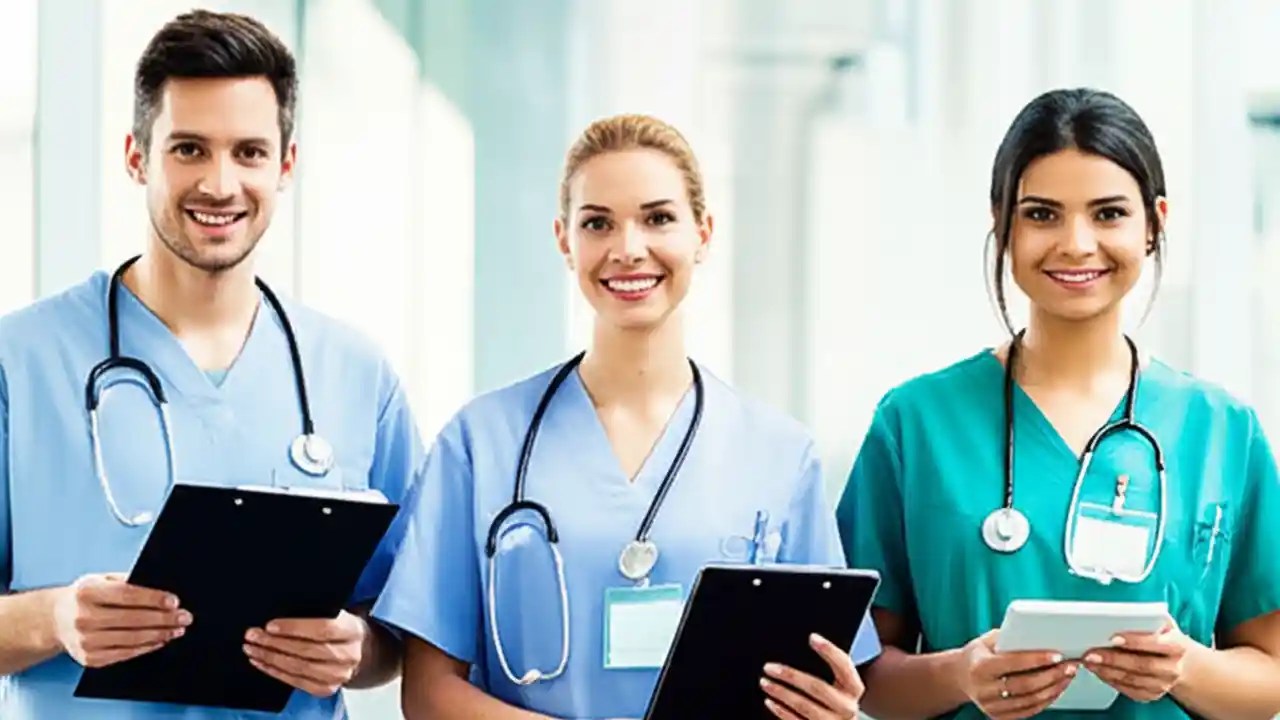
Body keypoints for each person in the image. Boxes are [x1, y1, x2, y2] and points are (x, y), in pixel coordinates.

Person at [371, 113, 880, 719]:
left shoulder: (780, 456)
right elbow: (428, 695)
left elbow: (821, 679)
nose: (628, 249)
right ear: (565, 240)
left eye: (658, 218)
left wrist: (831, 709)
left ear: (704, 233)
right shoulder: (482, 441)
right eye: (598, 224)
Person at [0, 10, 418, 718]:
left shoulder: (355, 375)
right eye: (189, 149)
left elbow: (398, 632)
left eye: (249, 152)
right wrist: (55, 619)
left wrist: (354, 649)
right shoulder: (23, 362)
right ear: (136, 156)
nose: (220, 184)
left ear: (286, 164)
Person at [837, 87, 1280, 720]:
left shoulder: (1221, 431)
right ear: (1002, 223)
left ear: (1155, 223)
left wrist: (1184, 665)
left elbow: (1272, 675)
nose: (1075, 243)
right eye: (1042, 214)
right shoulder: (915, 423)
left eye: (1108, 214)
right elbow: (862, 674)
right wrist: (962, 675)